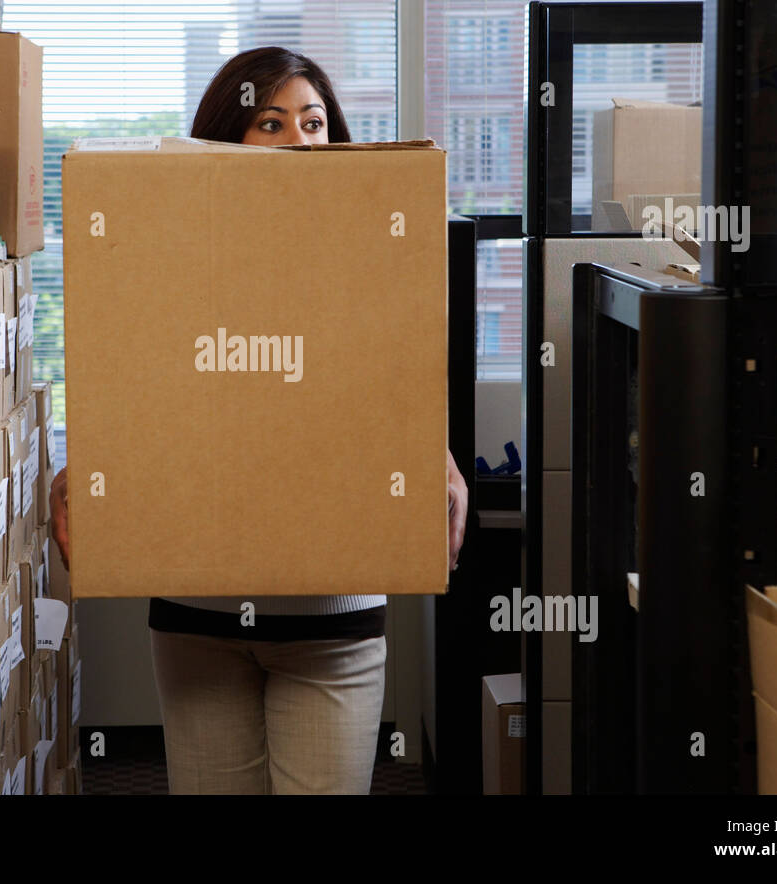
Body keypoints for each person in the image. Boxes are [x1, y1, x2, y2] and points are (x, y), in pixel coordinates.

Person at [50, 46, 469, 794]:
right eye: (271, 123)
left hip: (332, 617)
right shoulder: (168, 256)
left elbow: (389, 386)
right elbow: (132, 381)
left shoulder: (374, 252)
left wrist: (431, 455)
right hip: (198, 613)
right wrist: (91, 467)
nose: (299, 141)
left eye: (313, 123)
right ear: (225, 139)